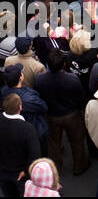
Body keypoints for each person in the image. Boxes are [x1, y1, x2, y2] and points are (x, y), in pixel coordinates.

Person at [35, 50, 86, 178]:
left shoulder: (40, 79)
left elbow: (39, 97)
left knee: (54, 144)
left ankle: (55, 169)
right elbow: (80, 98)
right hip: (71, 114)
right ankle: (78, 167)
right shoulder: (72, 79)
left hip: (52, 115)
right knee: (77, 141)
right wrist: (80, 110)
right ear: (64, 64)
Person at [0, 94, 38, 199]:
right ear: (20, 107)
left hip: (2, 171)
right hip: (21, 173)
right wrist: (26, 170)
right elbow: (35, 154)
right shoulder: (27, 128)